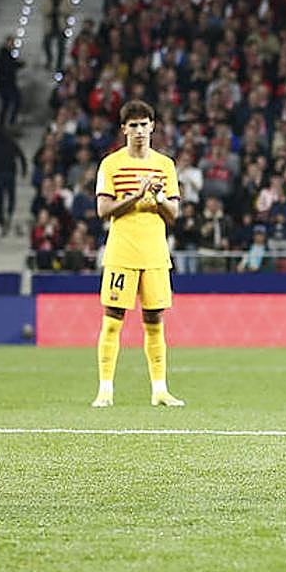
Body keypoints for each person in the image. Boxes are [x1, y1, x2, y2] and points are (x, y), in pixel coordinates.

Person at [92, 100, 185, 408]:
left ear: (153, 126)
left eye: (144, 124)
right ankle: (105, 389)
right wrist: (135, 195)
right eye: (133, 125)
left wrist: (156, 195)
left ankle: (159, 389)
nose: (139, 131)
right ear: (123, 130)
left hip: (155, 253)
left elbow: (173, 213)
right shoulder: (111, 164)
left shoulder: (165, 165)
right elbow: (103, 210)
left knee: (154, 319)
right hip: (121, 252)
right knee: (113, 319)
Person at [0, 127, 28, 233]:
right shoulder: (11, 143)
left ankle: (0, 220)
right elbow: (22, 156)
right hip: (10, 173)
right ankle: (9, 214)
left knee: (0, 198)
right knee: (11, 196)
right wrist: (24, 170)